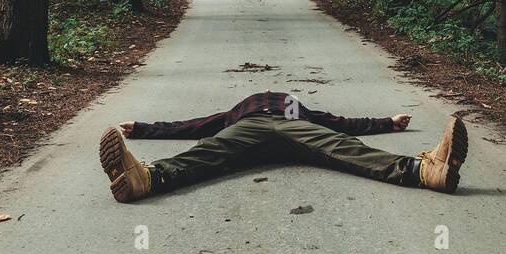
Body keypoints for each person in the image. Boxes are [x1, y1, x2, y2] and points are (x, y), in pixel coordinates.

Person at [97, 90, 468, 200]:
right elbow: (193, 126)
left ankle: (428, 170)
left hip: (294, 131)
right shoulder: (241, 110)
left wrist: (387, 122)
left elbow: (339, 123)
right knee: (207, 150)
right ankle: (144, 178)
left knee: (341, 144)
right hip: (252, 132)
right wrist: (144, 127)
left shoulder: (293, 108)